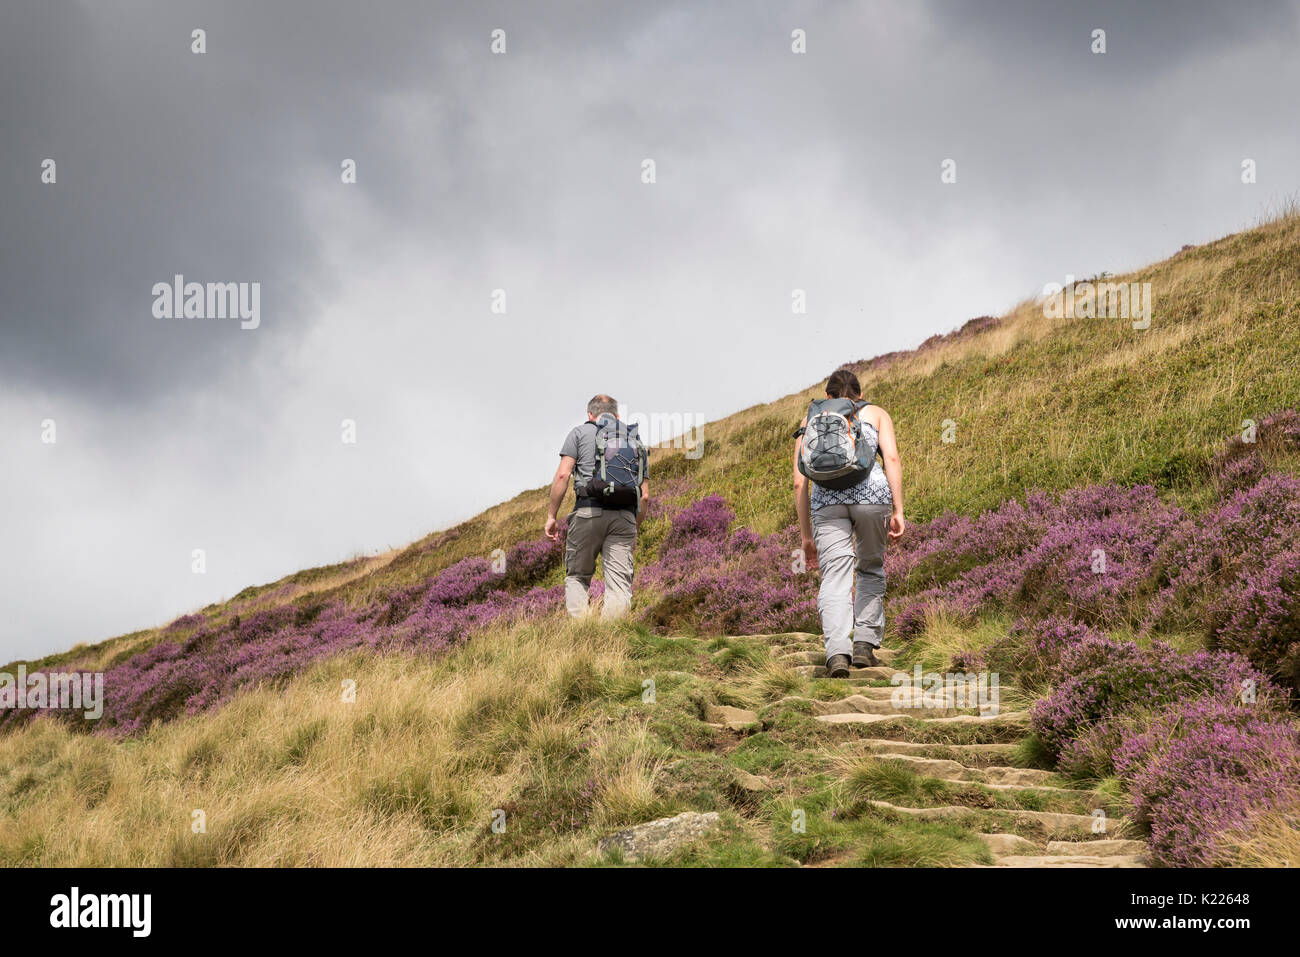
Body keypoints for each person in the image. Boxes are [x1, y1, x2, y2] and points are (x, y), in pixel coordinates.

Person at [793, 368, 905, 678]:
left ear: (826, 396)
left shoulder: (809, 420)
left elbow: (799, 483)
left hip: (827, 505)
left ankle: (837, 654)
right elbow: (892, 460)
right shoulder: (877, 413)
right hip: (873, 499)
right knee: (870, 567)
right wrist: (898, 510)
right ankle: (865, 647)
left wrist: (805, 536)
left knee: (834, 578)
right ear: (859, 394)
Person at [545, 395, 650, 618]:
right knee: (619, 586)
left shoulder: (579, 433)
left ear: (590, 415)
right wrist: (634, 531)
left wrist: (551, 516)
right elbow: (644, 497)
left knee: (578, 577)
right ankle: (610, 638)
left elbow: (563, 475)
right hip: (623, 518)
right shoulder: (634, 439)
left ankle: (584, 635)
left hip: (587, 512)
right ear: (618, 416)